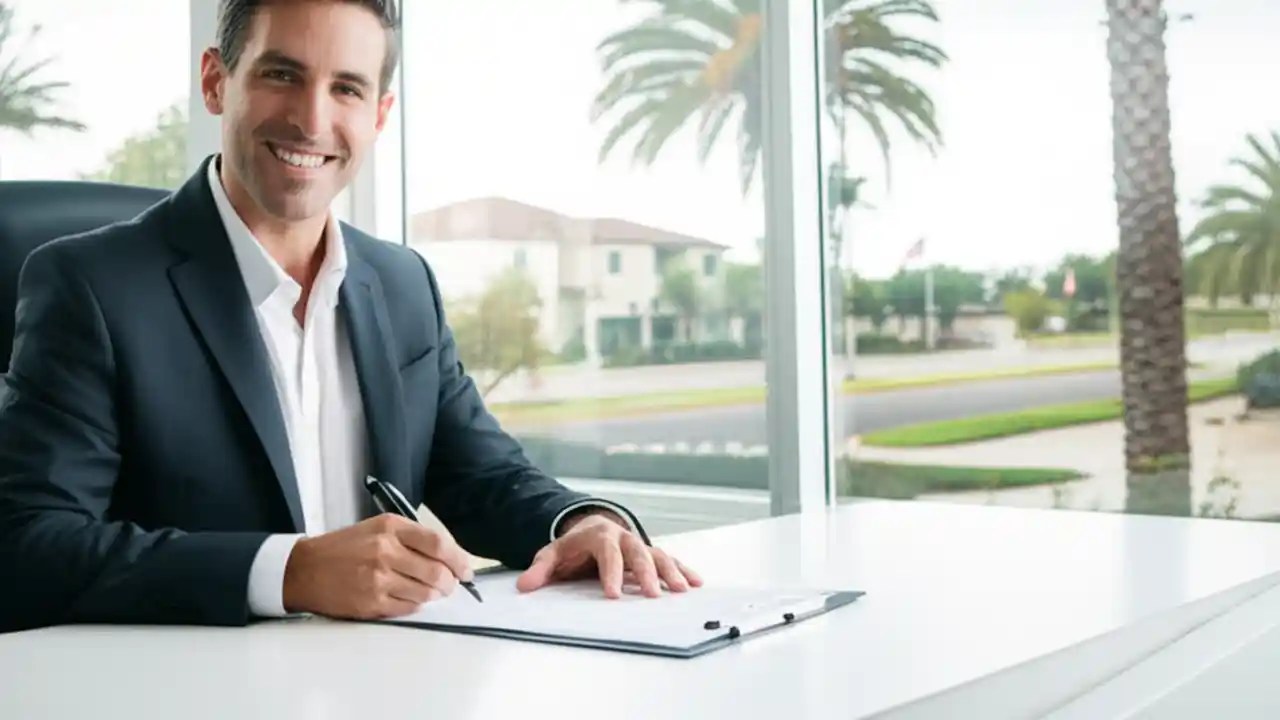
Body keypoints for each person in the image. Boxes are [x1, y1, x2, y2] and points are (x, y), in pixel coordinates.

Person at [0, 0, 700, 632]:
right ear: (216, 81)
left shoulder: (400, 284)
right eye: (281, 74)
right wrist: (291, 571)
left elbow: (482, 476)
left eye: (346, 88)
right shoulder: (90, 285)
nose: (312, 119)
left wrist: (578, 522)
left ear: (379, 114)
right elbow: (28, 544)